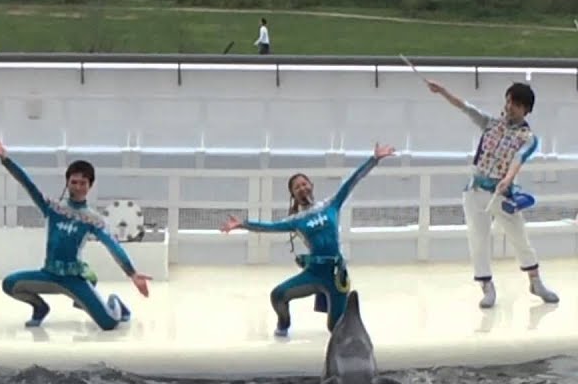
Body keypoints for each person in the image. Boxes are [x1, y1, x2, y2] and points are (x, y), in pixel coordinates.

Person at [221, 142, 395, 337]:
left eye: (304, 184)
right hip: (314, 274)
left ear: (311, 186)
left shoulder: (331, 205)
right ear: (293, 195)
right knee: (278, 295)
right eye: (297, 187)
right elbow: (268, 227)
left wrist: (374, 159)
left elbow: (353, 180)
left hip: (335, 276)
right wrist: (243, 224)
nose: (302, 188)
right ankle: (284, 324)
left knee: (335, 327)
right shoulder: (296, 220)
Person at [0, 139, 152, 331]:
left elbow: (112, 245)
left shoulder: (92, 219)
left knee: (109, 323)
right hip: (49, 275)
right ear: (67, 182)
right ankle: (40, 307)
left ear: (90, 185)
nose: (78, 187)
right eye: (74, 182)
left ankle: (115, 303)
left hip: (74, 279)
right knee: (10, 284)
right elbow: (28, 184)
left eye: (83, 183)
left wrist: (132, 273)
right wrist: (6, 159)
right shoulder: (53, 208)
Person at [423, 79, 559, 308]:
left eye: (515, 103)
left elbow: (518, 159)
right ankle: (487, 287)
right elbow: (465, 107)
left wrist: (507, 179)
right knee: (478, 240)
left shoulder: (528, 138)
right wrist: (443, 91)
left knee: (519, 237)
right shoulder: (491, 123)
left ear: (526, 109)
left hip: (500, 193)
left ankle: (535, 282)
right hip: (475, 190)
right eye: (508, 101)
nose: (509, 106)